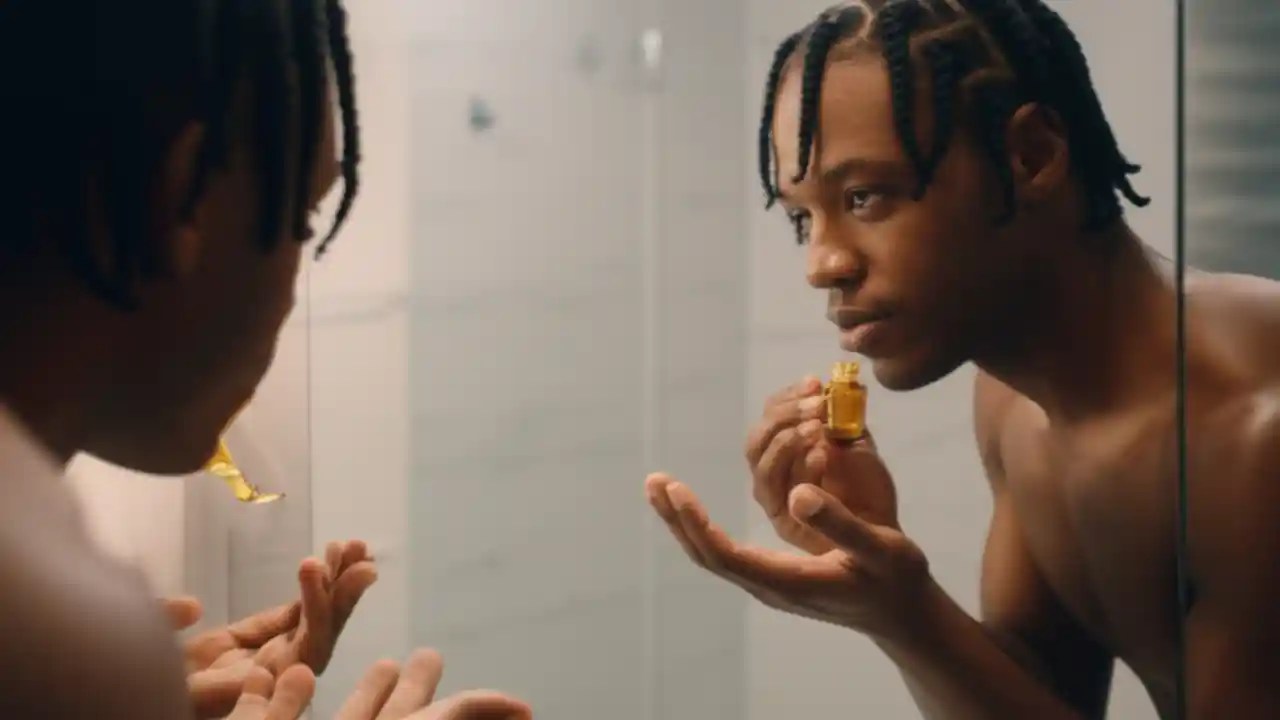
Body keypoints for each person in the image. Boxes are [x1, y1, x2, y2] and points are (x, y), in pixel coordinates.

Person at [646, 1, 1280, 718]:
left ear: (1032, 156)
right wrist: (892, 602)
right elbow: (1047, 699)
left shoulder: (1253, 435)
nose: (822, 264)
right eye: (803, 217)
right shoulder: (1013, 401)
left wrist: (906, 615)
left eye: (864, 196)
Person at [0, 1, 529, 718]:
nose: (290, 290)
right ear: (184, 195)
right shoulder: (48, 623)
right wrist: (107, 674)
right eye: (303, 219)